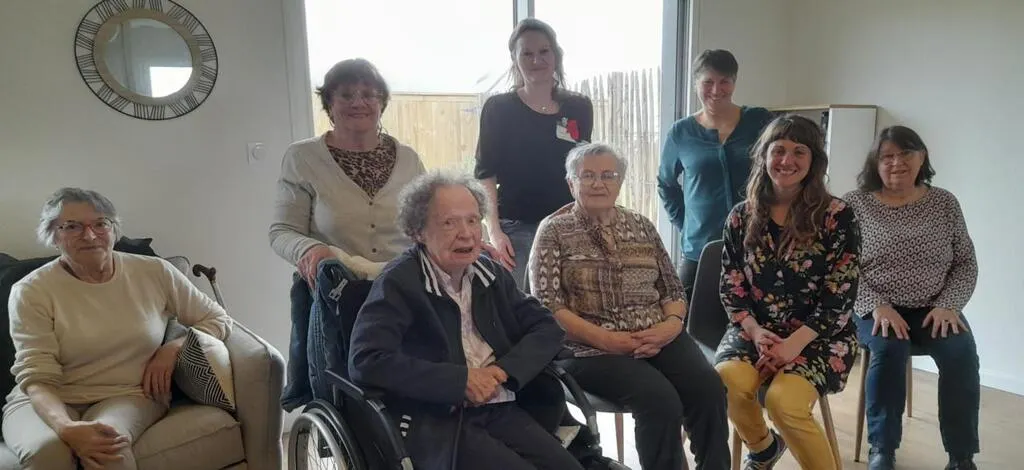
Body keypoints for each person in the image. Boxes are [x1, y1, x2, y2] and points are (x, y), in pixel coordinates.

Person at [348, 171, 583, 470]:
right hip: (436, 417)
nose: (467, 233)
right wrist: (460, 381)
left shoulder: (490, 274)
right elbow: (367, 361)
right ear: (418, 231)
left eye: (472, 220)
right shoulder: (399, 283)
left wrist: (502, 371)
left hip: (500, 405)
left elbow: (547, 327)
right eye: (449, 222)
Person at [530, 143, 731, 470]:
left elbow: (672, 288)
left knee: (707, 387)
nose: (599, 183)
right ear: (571, 183)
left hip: (658, 334)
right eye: (588, 176)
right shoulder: (553, 231)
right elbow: (548, 307)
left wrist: (671, 325)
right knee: (658, 399)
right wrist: (606, 340)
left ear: (620, 182)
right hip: (588, 348)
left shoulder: (640, 225)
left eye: (608, 175)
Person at [3, 188, 232, 470]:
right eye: (72, 227)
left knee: (108, 448)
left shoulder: (154, 272)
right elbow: (37, 374)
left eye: (100, 224)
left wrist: (172, 348)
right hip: (46, 398)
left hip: (128, 393)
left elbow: (217, 319)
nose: (89, 235)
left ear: (114, 229)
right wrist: (64, 427)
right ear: (53, 234)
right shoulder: (31, 291)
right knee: (45, 452)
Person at [716, 115, 859, 470]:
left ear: (814, 162)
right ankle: (764, 448)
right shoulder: (741, 216)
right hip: (756, 331)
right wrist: (754, 330)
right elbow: (732, 284)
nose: (787, 160)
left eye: (799, 151)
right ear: (764, 156)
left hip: (819, 337)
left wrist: (791, 345)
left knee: (783, 402)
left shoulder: (837, 215)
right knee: (727, 381)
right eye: (778, 150)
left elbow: (839, 297)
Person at [844, 126, 979, 470]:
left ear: (922, 158)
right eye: (887, 155)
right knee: (889, 349)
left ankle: (961, 456)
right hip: (875, 307)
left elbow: (965, 262)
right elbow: (841, 269)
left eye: (905, 154)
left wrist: (950, 304)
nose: (896, 163)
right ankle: (882, 450)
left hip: (936, 307)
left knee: (960, 352)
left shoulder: (944, 202)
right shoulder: (854, 203)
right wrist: (876, 305)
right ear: (875, 161)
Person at [270, 58, 426, 284]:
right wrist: (310, 248)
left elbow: (432, 221)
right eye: (346, 95)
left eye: (368, 94)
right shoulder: (302, 157)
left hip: (404, 291)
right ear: (329, 104)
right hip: (334, 294)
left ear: (381, 103)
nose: (358, 103)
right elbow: (282, 231)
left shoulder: (409, 159)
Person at [475, 18, 594, 291]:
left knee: (570, 307)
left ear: (556, 55)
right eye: (526, 53)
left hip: (568, 224)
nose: (536, 60)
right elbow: (486, 174)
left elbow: (583, 167)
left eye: (544, 51)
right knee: (519, 310)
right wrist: (494, 231)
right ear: (515, 59)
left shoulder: (578, 107)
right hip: (516, 229)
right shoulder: (499, 108)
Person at [657, 49, 773, 301]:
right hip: (700, 249)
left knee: (754, 317)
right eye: (708, 82)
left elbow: (777, 171)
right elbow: (666, 183)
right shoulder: (681, 132)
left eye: (724, 82)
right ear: (696, 83)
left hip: (754, 243)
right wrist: (685, 221)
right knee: (685, 320)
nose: (716, 90)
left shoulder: (759, 121)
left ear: (734, 82)